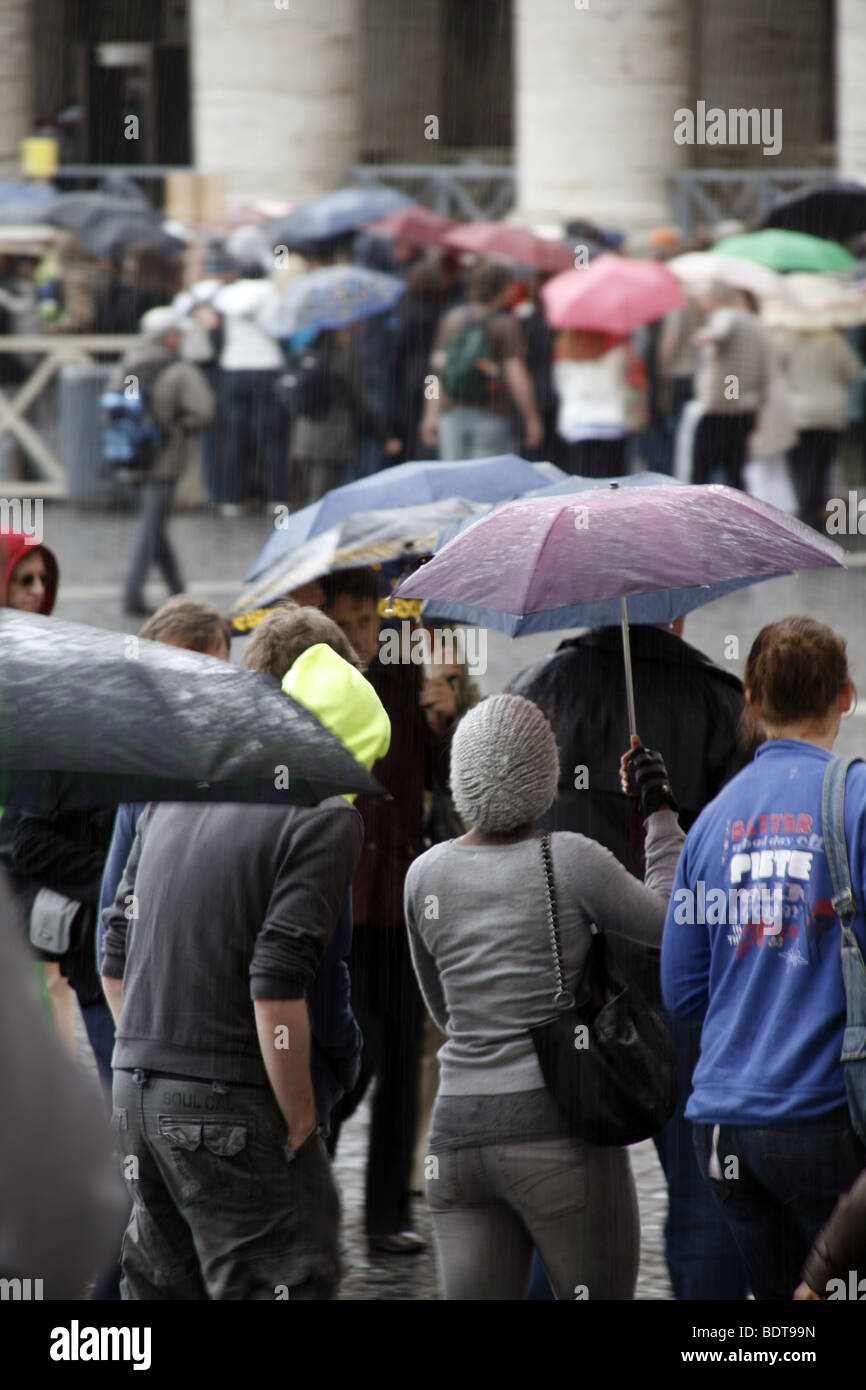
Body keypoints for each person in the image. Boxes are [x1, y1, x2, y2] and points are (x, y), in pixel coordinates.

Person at [101, 612, 388, 1300]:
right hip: (231, 1104)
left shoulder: (182, 788)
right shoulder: (325, 816)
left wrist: (151, 1051)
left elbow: (113, 954)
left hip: (134, 1094)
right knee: (291, 1279)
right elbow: (275, 985)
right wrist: (295, 1118)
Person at [404, 693, 684, 1300]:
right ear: (545, 776)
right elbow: (671, 920)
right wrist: (658, 814)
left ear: (461, 777)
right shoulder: (572, 861)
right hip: (559, 1130)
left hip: (455, 1141)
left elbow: (444, 1010)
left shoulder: (422, 876)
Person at [507, 618, 752, 1301]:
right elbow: (743, 860)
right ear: (679, 610)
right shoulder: (719, 701)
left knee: (560, 1207)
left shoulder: (531, 694)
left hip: (564, 998)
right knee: (707, 1200)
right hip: (685, 997)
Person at [661, 616, 866, 1301]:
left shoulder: (713, 820)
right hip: (825, 1118)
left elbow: (683, 992)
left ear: (750, 699)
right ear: (845, 696)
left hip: (724, 1131)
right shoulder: (857, 802)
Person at [323, 569, 453, 1254]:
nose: (358, 637)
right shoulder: (315, 687)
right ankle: (313, 1192)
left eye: (367, 621)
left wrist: (442, 709)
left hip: (399, 898)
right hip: (339, 900)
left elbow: (442, 774)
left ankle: (383, 1220)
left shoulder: (402, 677)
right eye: (344, 623)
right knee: (349, 1058)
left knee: (402, 1058)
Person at [112, 307, 215, 617]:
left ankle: (178, 594)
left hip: (129, 457)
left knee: (153, 529)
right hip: (165, 459)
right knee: (151, 531)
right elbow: (204, 412)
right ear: (167, 336)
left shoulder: (128, 362)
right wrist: (180, 426)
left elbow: (111, 405)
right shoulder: (179, 370)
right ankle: (132, 597)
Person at [421, 261, 543, 460]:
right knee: (486, 482)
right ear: (503, 287)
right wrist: (531, 418)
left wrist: (430, 414)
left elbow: (435, 372)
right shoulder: (506, 324)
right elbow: (515, 374)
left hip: (451, 413)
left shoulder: (453, 318)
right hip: (492, 412)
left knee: (454, 480)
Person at [771, 326, 862, 530]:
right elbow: (853, 372)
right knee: (821, 465)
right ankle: (817, 516)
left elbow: (772, 374)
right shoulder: (835, 341)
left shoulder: (784, 340)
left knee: (799, 467)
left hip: (796, 413)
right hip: (830, 412)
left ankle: (807, 516)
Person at [690, 284, 772, 490]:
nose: (700, 303)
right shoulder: (755, 322)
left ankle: (700, 512)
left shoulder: (725, 315)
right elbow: (765, 369)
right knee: (735, 468)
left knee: (702, 468)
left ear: (717, 298)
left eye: (703, 297)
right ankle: (738, 512)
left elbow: (721, 331)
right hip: (745, 404)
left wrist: (705, 335)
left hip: (723, 405)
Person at [551, 328, 644, 477]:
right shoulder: (619, 343)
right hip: (612, 421)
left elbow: (561, 385)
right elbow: (632, 382)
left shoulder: (565, 346)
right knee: (614, 486)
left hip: (577, 422)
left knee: (581, 487)